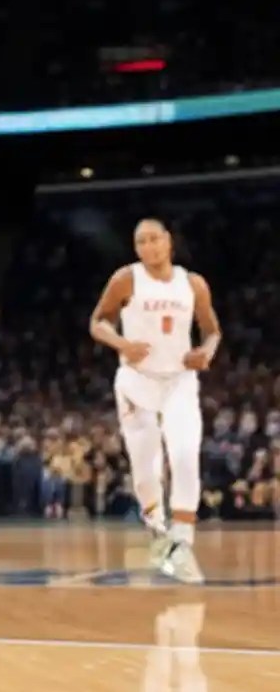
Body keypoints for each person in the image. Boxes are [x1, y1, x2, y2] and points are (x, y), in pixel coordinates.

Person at [89, 218, 220, 584]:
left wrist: (206, 352)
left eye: (155, 239)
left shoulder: (193, 283)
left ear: (169, 242)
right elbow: (98, 321)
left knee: (184, 452)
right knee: (147, 467)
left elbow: (212, 331)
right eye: (141, 241)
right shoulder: (126, 279)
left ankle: (182, 541)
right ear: (136, 248)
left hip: (179, 378)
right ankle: (157, 530)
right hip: (137, 381)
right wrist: (122, 344)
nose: (149, 246)